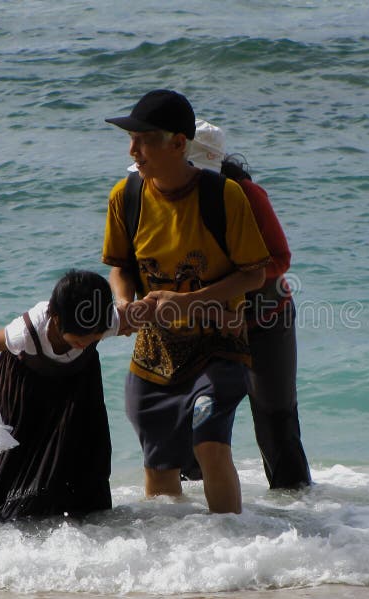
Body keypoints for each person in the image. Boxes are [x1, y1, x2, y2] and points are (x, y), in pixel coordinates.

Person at [102, 89, 270, 514]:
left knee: (210, 443)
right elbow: (119, 266)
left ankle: (233, 548)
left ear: (179, 144)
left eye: (143, 138)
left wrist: (191, 302)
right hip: (154, 351)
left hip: (220, 344)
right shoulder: (126, 196)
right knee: (158, 464)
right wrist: (123, 304)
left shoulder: (224, 196)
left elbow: (256, 273)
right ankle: (178, 560)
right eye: (130, 138)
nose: (132, 149)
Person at [0, 269, 148, 521]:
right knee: (19, 454)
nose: (86, 341)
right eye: (80, 338)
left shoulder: (108, 320)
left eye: (94, 336)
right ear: (56, 319)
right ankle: (11, 516)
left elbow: (150, 314)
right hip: (25, 381)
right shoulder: (25, 331)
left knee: (86, 446)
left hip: (77, 379)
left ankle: (82, 514)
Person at [187, 119, 312, 489]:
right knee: (196, 416)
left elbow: (280, 259)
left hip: (267, 318)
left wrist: (233, 279)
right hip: (208, 320)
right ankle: (187, 521)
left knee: (276, 419)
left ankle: (299, 509)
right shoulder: (166, 195)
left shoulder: (245, 194)